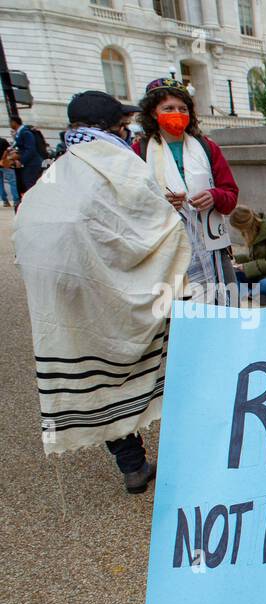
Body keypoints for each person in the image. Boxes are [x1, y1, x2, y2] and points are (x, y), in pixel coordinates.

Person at [15, 91, 191, 493]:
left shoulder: (58, 166)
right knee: (151, 354)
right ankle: (189, 451)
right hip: (95, 270)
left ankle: (131, 465)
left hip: (54, 279)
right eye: (122, 124)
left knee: (94, 367)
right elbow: (151, 222)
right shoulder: (115, 159)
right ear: (113, 126)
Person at [134, 77, 240, 302]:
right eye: (169, 108)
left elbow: (230, 196)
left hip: (212, 246)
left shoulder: (207, 147)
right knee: (181, 311)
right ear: (153, 113)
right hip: (167, 250)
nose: (177, 113)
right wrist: (160, 202)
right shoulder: (139, 151)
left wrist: (213, 196)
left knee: (223, 308)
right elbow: (130, 203)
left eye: (183, 109)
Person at [9, 116, 46, 206]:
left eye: (10, 122)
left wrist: (21, 161)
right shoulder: (20, 133)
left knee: (30, 185)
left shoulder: (25, 132)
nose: (10, 124)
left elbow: (30, 149)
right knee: (28, 184)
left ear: (15, 122)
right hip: (30, 164)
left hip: (32, 164)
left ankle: (35, 205)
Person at [0, 135, 19, 207]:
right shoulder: (3, 141)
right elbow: (9, 150)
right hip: (5, 164)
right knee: (13, 182)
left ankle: (5, 201)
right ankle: (16, 201)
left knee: (0, 184)